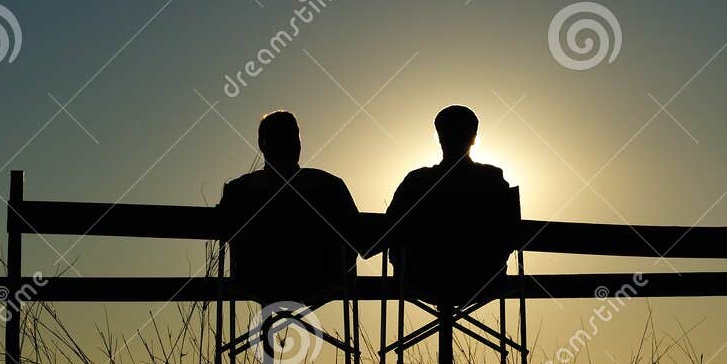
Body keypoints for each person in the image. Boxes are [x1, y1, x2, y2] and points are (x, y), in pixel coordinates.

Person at [216, 110, 362, 304]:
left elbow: (221, 230)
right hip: (323, 281)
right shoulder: (330, 186)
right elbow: (358, 238)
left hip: (256, 282)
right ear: (298, 144)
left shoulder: (238, 190)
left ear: (262, 145)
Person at [380, 104, 512, 305]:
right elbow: (511, 232)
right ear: (474, 137)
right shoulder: (492, 178)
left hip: (420, 279)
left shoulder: (417, 181)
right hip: (482, 280)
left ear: (439, 137)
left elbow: (388, 230)